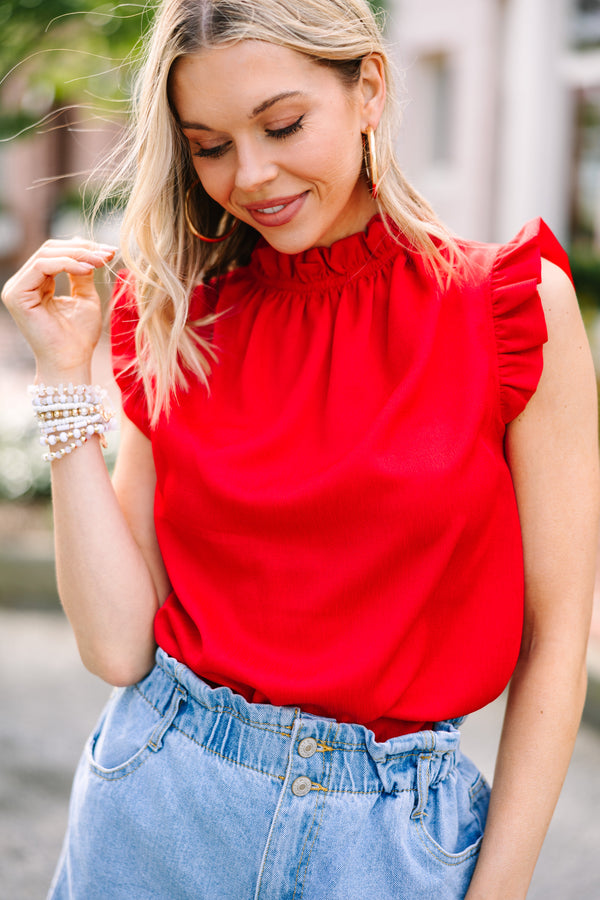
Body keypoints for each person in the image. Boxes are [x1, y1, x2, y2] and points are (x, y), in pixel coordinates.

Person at [2, 1, 598, 897]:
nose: (251, 174)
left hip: (388, 851)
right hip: (158, 816)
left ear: (369, 88)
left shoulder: (509, 310)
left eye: (283, 125)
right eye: (208, 145)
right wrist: (61, 381)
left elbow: (557, 641)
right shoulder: (178, 320)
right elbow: (120, 646)